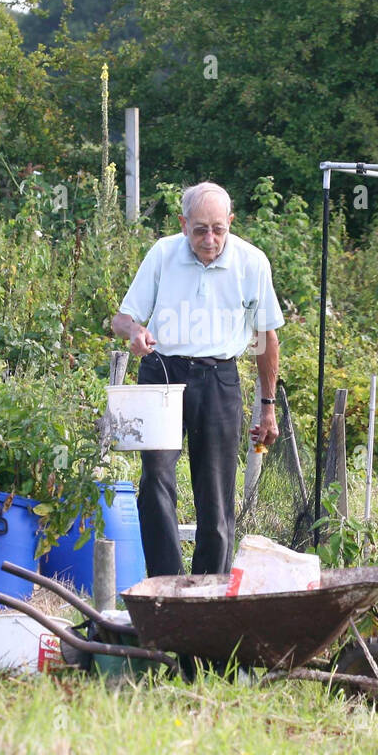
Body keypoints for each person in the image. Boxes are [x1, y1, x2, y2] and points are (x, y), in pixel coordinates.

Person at [111, 181, 285, 577]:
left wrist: (268, 407)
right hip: (162, 374)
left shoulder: (252, 262)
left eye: (218, 229)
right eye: (200, 229)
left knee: (217, 493)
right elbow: (122, 319)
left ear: (230, 223)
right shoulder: (162, 254)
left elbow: (265, 338)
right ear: (182, 223)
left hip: (218, 377)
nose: (209, 239)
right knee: (155, 478)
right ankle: (166, 585)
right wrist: (135, 332)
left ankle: (209, 590)